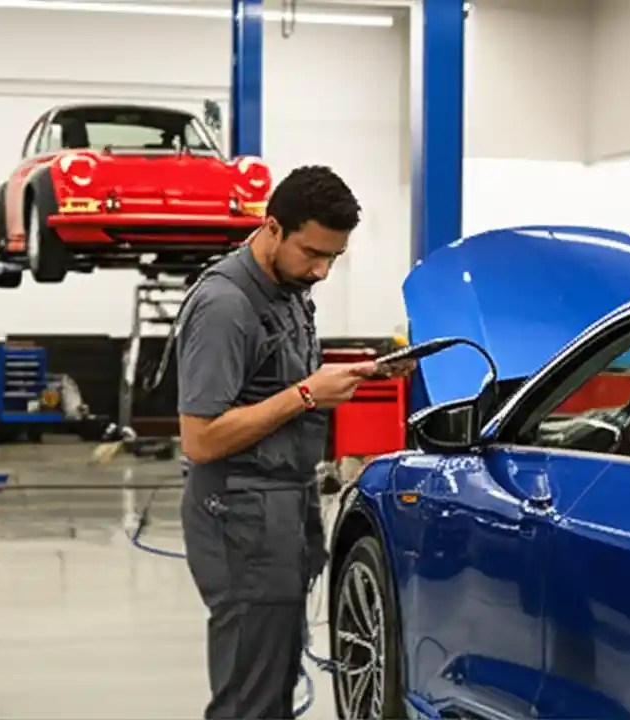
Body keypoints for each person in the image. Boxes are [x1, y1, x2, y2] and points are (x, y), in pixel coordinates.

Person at [175, 165, 412, 719]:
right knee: (250, 695)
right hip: (240, 514)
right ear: (273, 228)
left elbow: (269, 387)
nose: (323, 271)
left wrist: (354, 376)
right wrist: (308, 394)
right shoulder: (226, 305)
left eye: (334, 257)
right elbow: (201, 439)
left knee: (272, 679)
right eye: (313, 253)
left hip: (279, 507)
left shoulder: (288, 289)